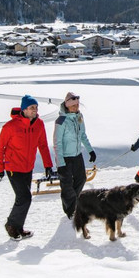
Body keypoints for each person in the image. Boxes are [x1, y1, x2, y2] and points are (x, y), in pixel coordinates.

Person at [0, 95, 53, 240]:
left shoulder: (39, 124)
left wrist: (48, 165)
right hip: (13, 167)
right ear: (24, 109)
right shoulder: (11, 126)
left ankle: (18, 228)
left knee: (24, 198)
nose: (35, 110)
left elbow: (43, 146)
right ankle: (11, 225)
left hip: (28, 167)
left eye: (36, 108)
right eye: (32, 108)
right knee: (25, 197)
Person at [52, 91, 96, 219]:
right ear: (66, 106)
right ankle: (70, 210)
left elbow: (82, 135)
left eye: (77, 105)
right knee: (67, 185)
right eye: (73, 106)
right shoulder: (61, 121)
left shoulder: (79, 117)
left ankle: (75, 203)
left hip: (77, 155)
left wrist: (90, 150)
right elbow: (57, 143)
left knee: (81, 179)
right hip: (65, 157)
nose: (75, 108)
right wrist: (61, 163)